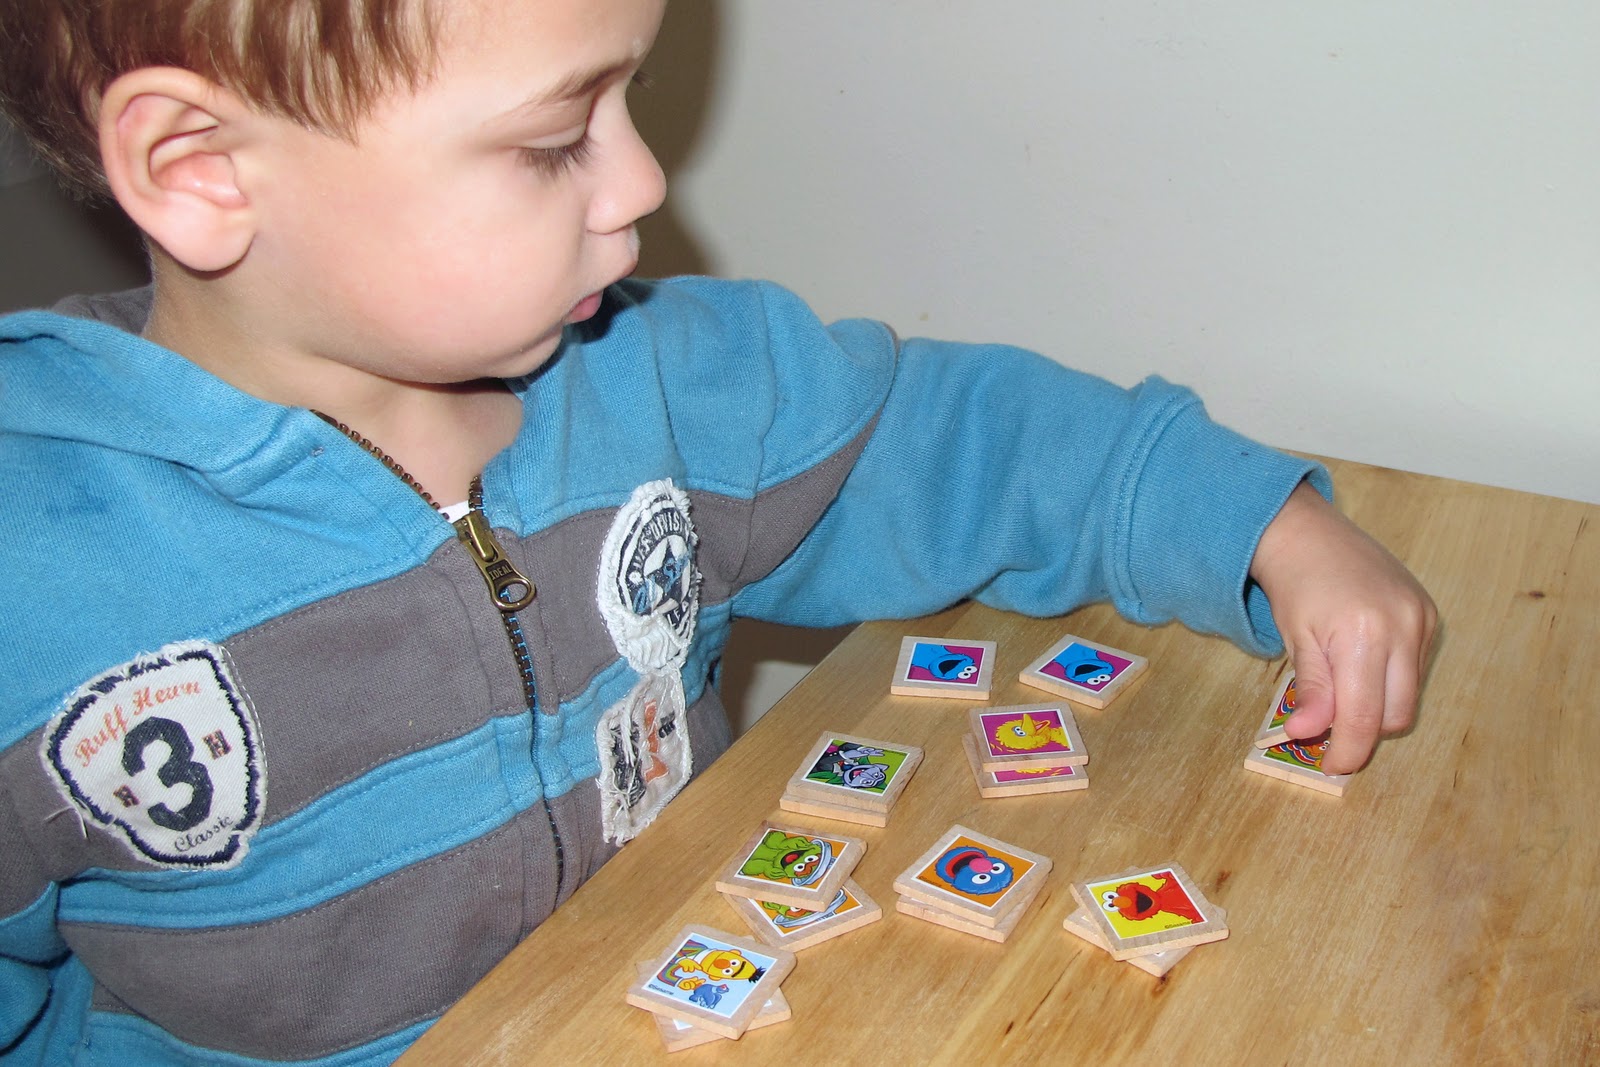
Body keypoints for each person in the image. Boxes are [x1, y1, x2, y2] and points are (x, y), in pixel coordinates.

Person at [0, 0, 1436, 1062]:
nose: (640, 186)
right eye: (559, 136)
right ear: (196, 167)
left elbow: (952, 439)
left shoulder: (670, 383)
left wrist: (1265, 525)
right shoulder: (31, 565)